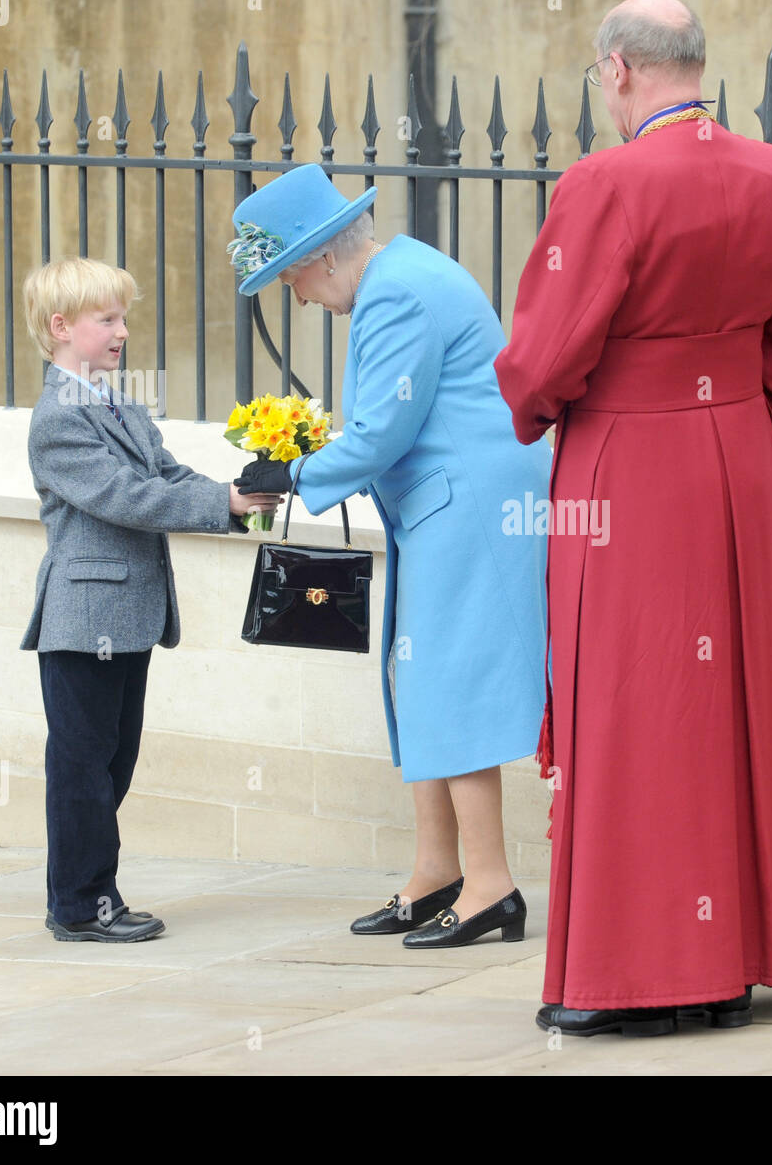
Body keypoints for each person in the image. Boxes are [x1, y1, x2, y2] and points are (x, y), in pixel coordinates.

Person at [493, 0, 772, 1037]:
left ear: (617, 70)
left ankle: (639, 970)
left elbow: (545, 354)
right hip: (738, 458)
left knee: (635, 707)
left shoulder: (602, 182)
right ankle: (731, 957)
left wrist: (532, 400)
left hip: (628, 464)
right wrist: (736, 410)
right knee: (739, 702)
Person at [230, 165, 551, 947]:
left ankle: (490, 886)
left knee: (453, 683)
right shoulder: (400, 276)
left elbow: (381, 436)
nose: (298, 297)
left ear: (325, 258)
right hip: (449, 503)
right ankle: (440, 871)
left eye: (291, 277)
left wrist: (294, 473)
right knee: (424, 681)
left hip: (469, 507)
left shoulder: (397, 291)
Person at [22, 257, 281, 942]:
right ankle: (82, 905)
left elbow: (166, 474)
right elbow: (126, 497)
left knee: (112, 762)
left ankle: (85, 894)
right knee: (82, 768)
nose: (122, 331)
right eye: (106, 319)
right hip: (83, 619)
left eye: (123, 318)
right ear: (60, 327)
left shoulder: (114, 401)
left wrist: (238, 495)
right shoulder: (58, 419)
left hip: (126, 615)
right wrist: (220, 502)